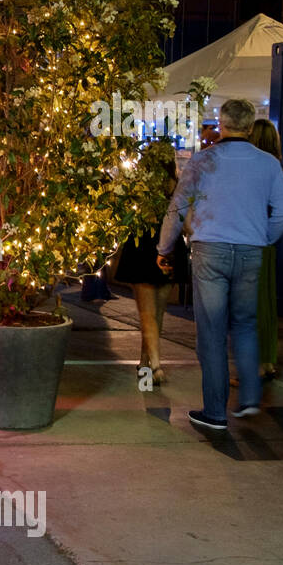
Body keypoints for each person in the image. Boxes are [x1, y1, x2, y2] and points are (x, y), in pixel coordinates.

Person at [156, 99, 283, 432]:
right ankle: (248, 398)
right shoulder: (269, 164)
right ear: (250, 126)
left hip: (210, 251)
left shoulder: (202, 161)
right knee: (245, 324)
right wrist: (262, 236)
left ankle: (215, 412)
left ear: (221, 124)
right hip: (250, 252)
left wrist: (164, 247)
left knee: (212, 332)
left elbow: (177, 207)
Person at [115, 143, 188, 384]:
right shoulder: (176, 188)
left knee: (147, 314)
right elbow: (185, 222)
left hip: (142, 247)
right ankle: (145, 362)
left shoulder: (138, 188)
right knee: (158, 312)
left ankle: (154, 366)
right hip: (169, 249)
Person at [250, 119, 283, 379]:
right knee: (268, 305)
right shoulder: (277, 168)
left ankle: (258, 365)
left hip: (252, 241)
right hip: (268, 244)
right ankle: (268, 360)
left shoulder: (256, 168)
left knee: (252, 306)